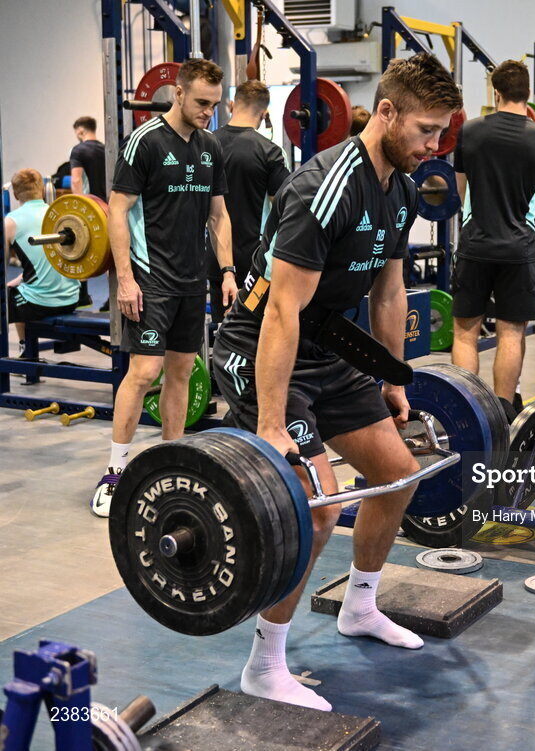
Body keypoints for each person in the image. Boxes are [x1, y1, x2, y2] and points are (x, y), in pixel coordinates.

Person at [211, 52, 462, 712]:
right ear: (386, 113)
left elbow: (388, 291)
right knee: (315, 511)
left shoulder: (403, 188)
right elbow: (281, 311)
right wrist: (269, 424)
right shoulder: (324, 186)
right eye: (425, 131)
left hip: (327, 351)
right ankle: (264, 663)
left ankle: (360, 606)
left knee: (398, 472)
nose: (434, 146)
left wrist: (391, 375)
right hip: (261, 349)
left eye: (440, 133)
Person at [90, 58, 237, 517]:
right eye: (200, 102)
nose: (207, 112)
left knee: (182, 372)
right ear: (177, 92)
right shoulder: (145, 142)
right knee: (144, 372)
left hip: (194, 281)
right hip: (150, 279)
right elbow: (117, 211)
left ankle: (174, 461)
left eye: (214, 105)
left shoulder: (210, 146)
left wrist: (228, 270)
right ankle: (115, 471)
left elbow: (219, 215)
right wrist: (126, 280)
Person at [451, 60, 535, 416]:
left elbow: (461, 191)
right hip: (518, 248)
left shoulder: (470, 131)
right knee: (511, 332)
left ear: (496, 92)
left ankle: (467, 412)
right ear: (527, 95)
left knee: (466, 331)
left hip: (475, 244)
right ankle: (501, 413)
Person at [208, 79, 290, 323]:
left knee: (222, 332)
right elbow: (284, 209)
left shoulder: (206, 143)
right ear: (264, 113)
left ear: (232, 105)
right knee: (255, 332)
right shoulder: (271, 151)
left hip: (216, 258)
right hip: (256, 262)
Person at [4, 169, 81, 353]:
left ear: (15, 194)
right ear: (42, 190)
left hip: (40, 304)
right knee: (19, 285)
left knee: (9, 295)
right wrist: (23, 277)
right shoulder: (60, 214)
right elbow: (47, 259)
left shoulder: (11, 221)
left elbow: (3, 268)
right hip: (72, 298)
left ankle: (25, 350)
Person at [70, 116, 108, 309]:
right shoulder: (105, 148)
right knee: (110, 252)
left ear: (80, 130)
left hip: (89, 208)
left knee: (79, 249)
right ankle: (112, 298)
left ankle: (83, 295)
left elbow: (76, 180)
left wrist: (78, 207)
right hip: (107, 207)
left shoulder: (78, 150)